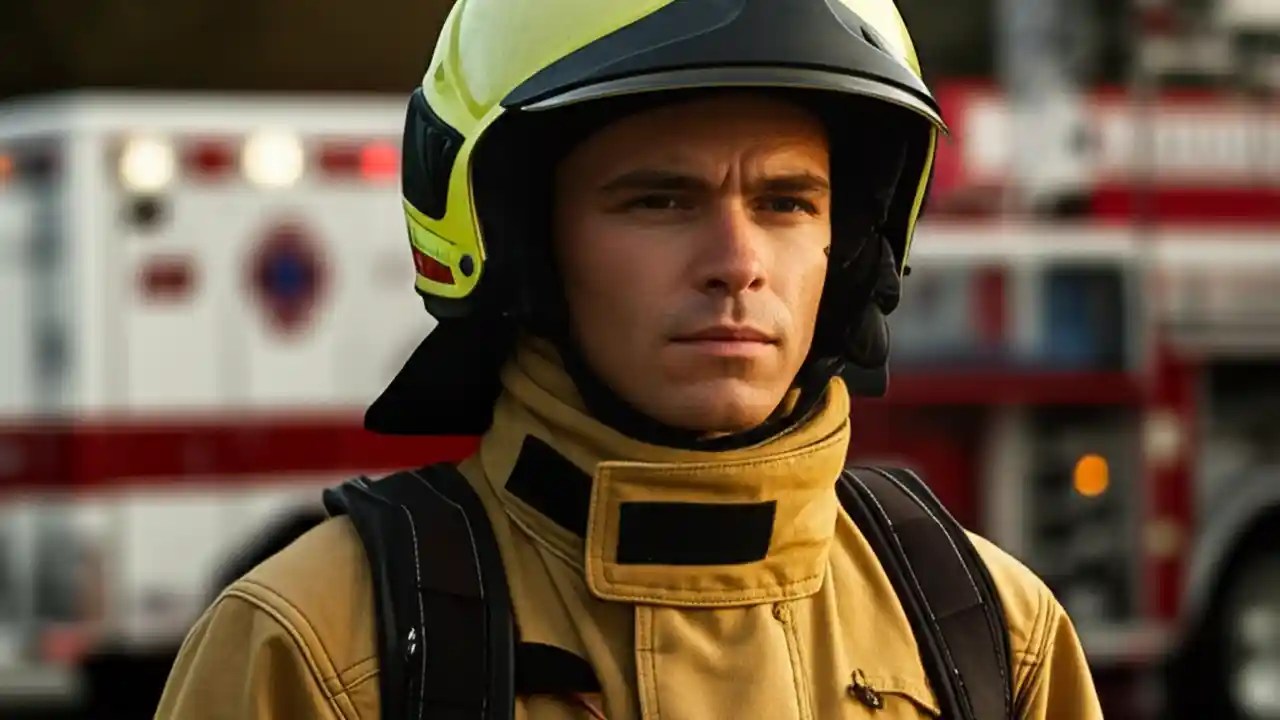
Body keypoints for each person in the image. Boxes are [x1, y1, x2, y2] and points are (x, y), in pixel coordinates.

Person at [156, 0, 1104, 718]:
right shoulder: (319, 650)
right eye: (660, 201)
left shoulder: (995, 635)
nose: (738, 263)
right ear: (525, 245)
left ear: (850, 249)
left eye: (786, 202)